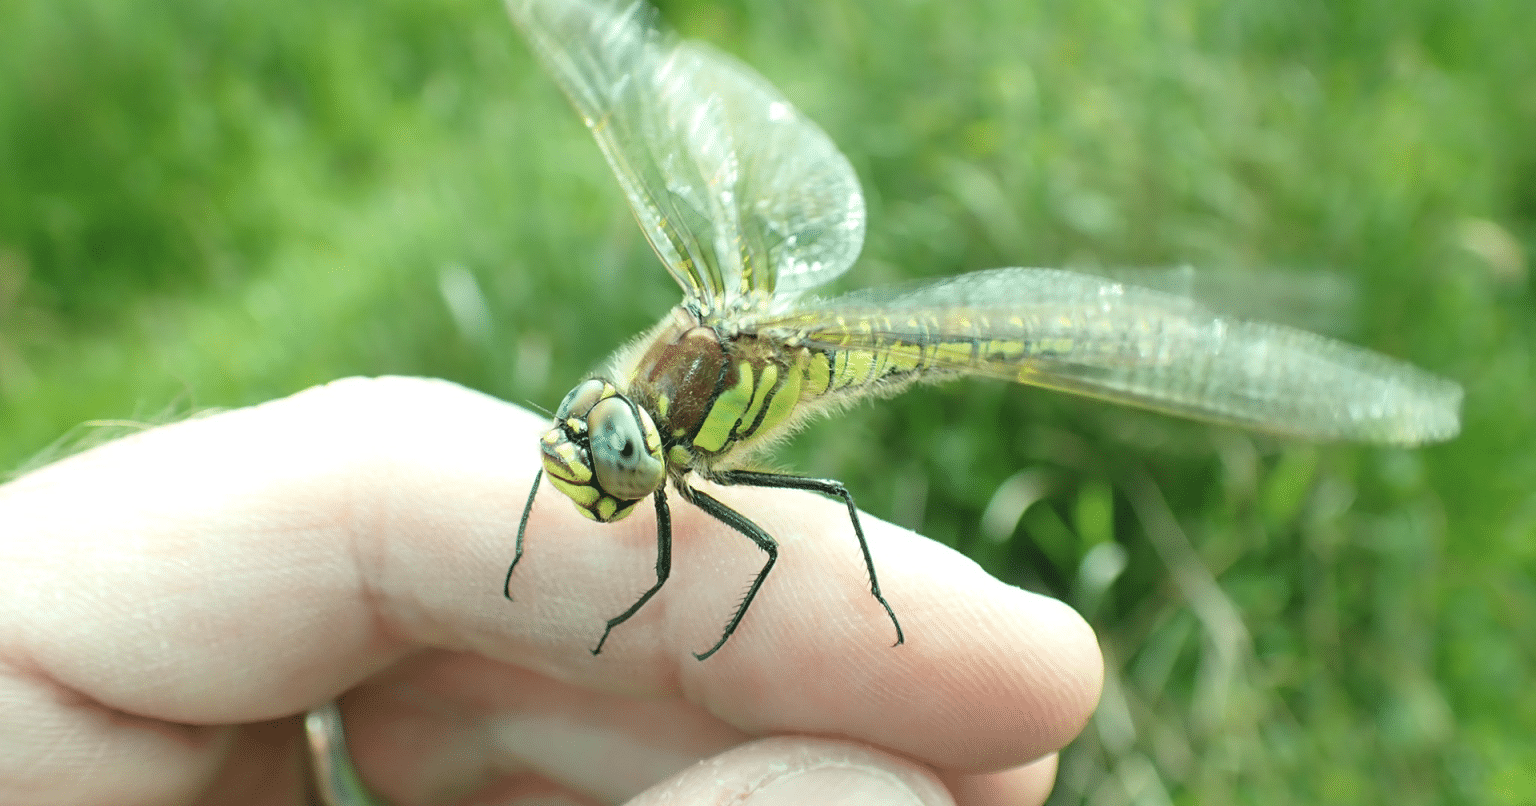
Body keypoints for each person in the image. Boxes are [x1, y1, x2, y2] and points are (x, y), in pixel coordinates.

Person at [0, 376, 1102, 805]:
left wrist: (634, 617)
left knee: (804, 522)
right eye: (593, 436)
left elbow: (753, 557)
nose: (585, 457)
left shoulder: (688, 461)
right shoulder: (643, 427)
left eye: (608, 452)